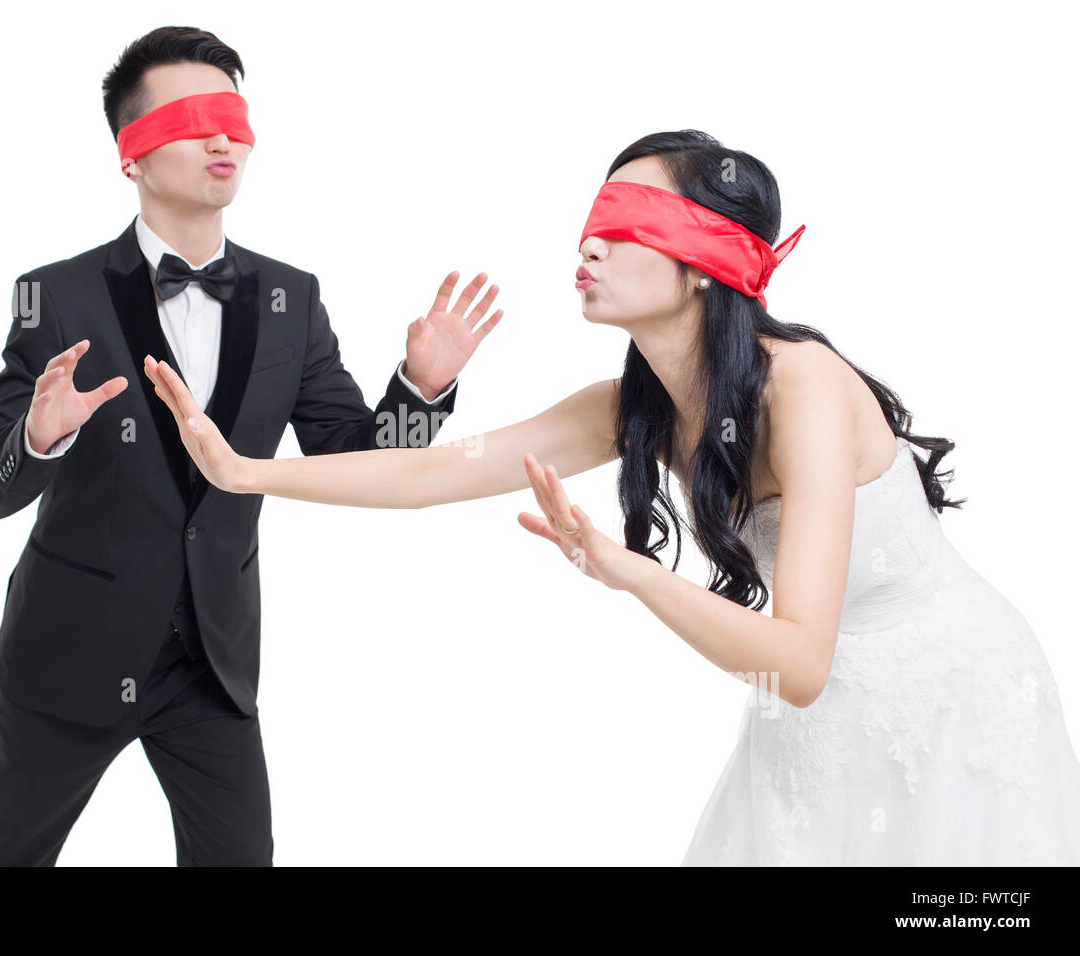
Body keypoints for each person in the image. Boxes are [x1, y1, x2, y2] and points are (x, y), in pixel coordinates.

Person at [145, 129, 1080, 865]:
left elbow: (798, 664)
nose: (587, 241)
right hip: (818, 723)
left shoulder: (806, 390)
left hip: (953, 703)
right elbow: (436, 471)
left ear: (709, 256)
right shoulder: (627, 410)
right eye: (593, 214)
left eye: (627, 219)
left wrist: (627, 572)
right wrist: (247, 471)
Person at [0, 25, 501, 866]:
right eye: (189, 118)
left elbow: (350, 455)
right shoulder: (54, 297)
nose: (221, 138)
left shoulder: (293, 296)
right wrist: (39, 434)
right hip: (67, 653)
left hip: (210, 663)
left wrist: (419, 389)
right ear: (129, 154)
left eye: (233, 118)